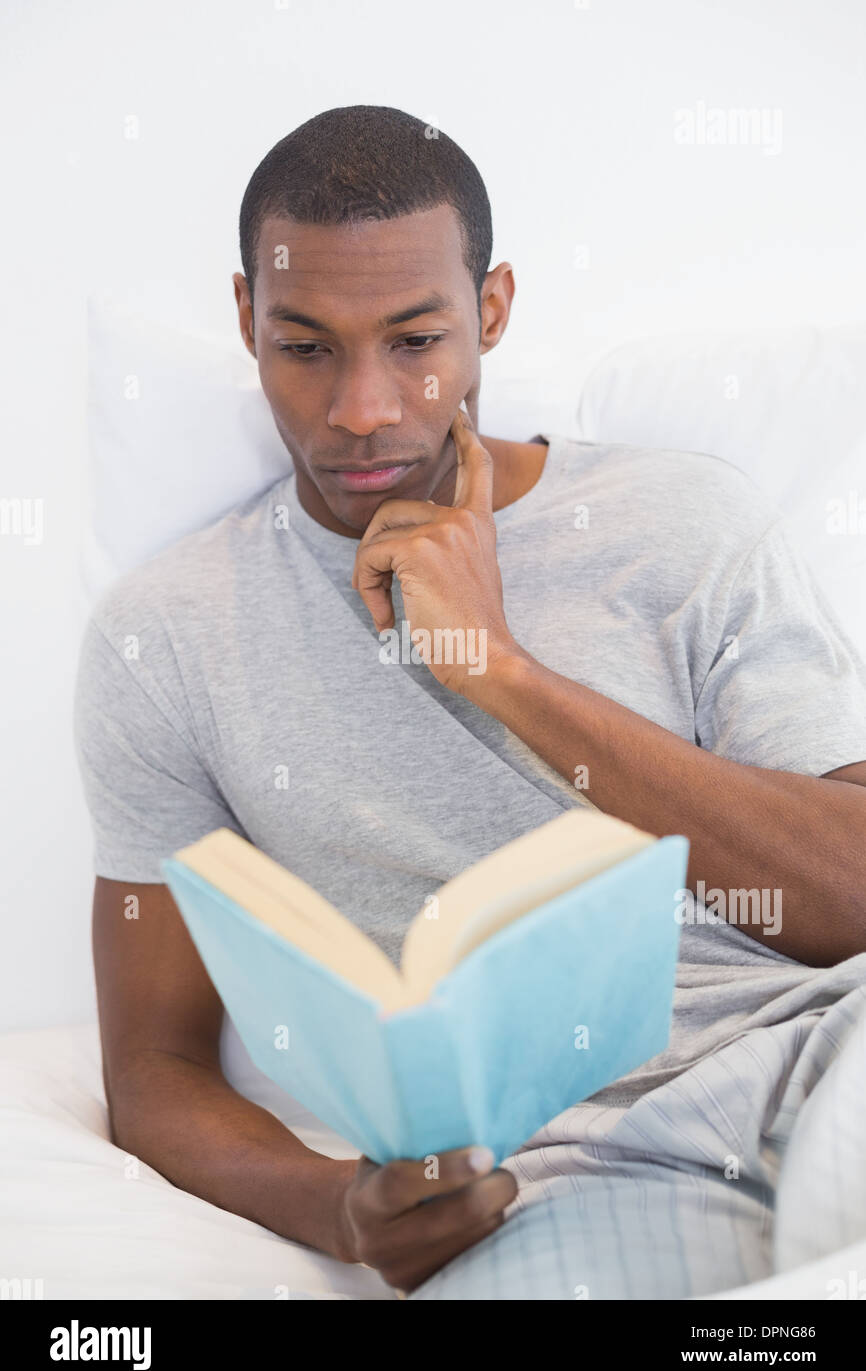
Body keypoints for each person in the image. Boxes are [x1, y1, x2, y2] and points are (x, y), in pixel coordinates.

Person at [74, 105, 866, 1299]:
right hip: (570, 1178)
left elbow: (850, 895)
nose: (363, 409)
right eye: (303, 347)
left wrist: (500, 668)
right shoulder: (166, 637)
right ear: (244, 317)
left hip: (826, 1053)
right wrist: (339, 1209)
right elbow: (153, 1063)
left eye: (414, 341)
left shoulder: (681, 519)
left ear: (489, 309)